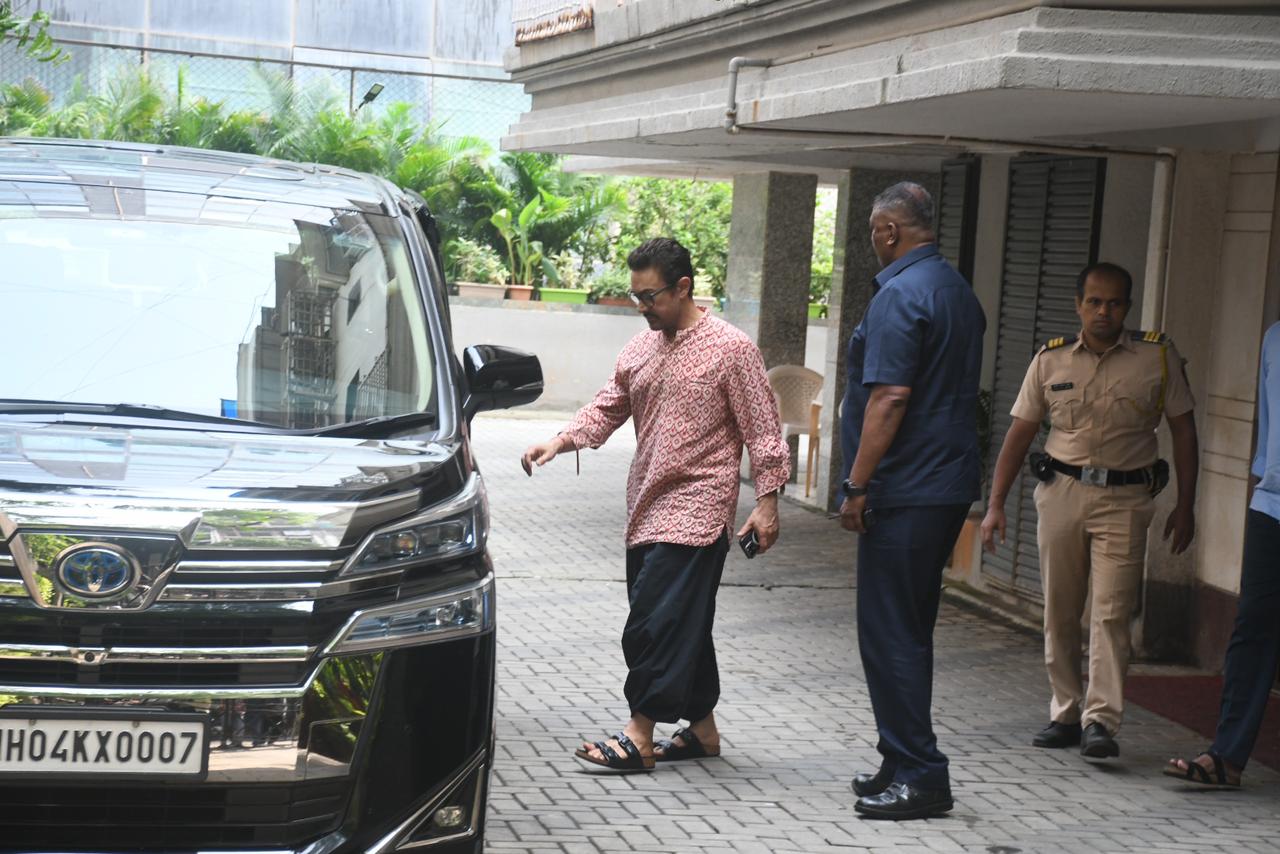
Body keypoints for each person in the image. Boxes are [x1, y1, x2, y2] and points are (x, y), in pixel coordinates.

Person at [520, 236, 790, 774]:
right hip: (645, 506)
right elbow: (606, 407)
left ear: (684, 286)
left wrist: (767, 503)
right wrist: (561, 440)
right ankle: (703, 730)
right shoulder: (639, 350)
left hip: (698, 508)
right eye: (635, 295)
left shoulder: (731, 350)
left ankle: (638, 735)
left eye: (650, 296)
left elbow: (763, 432)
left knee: (652, 624)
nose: (642, 307)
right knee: (682, 621)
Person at [982, 262, 1199, 761]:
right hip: (1062, 494)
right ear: (1079, 305)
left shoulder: (1158, 358)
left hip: (1126, 501)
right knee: (1060, 607)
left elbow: (1184, 431)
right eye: (1095, 302)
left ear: (1127, 306)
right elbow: (1018, 435)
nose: (1105, 311)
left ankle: (1100, 721)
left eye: (1115, 302)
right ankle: (1064, 712)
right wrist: (994, 506)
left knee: (1111, 612)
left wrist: (1186, 504)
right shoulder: (1050, 361)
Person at [838, 182, 985, 820]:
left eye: (874, 232)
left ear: (890, 232)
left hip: (905, 488)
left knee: (890, 632)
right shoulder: (956, 289)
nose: (874, 243)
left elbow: (890, 397)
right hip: (941, 484)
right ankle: (899, 759)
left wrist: (857, 484)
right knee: (907, 629)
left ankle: (922, 773)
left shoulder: (901, 292)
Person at [1164, 319, 1279, 788]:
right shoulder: (1274, 336)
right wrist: (1255, 495)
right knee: (1252, 630)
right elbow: (1267, 432)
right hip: (1271, 507)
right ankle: (1226, 758)